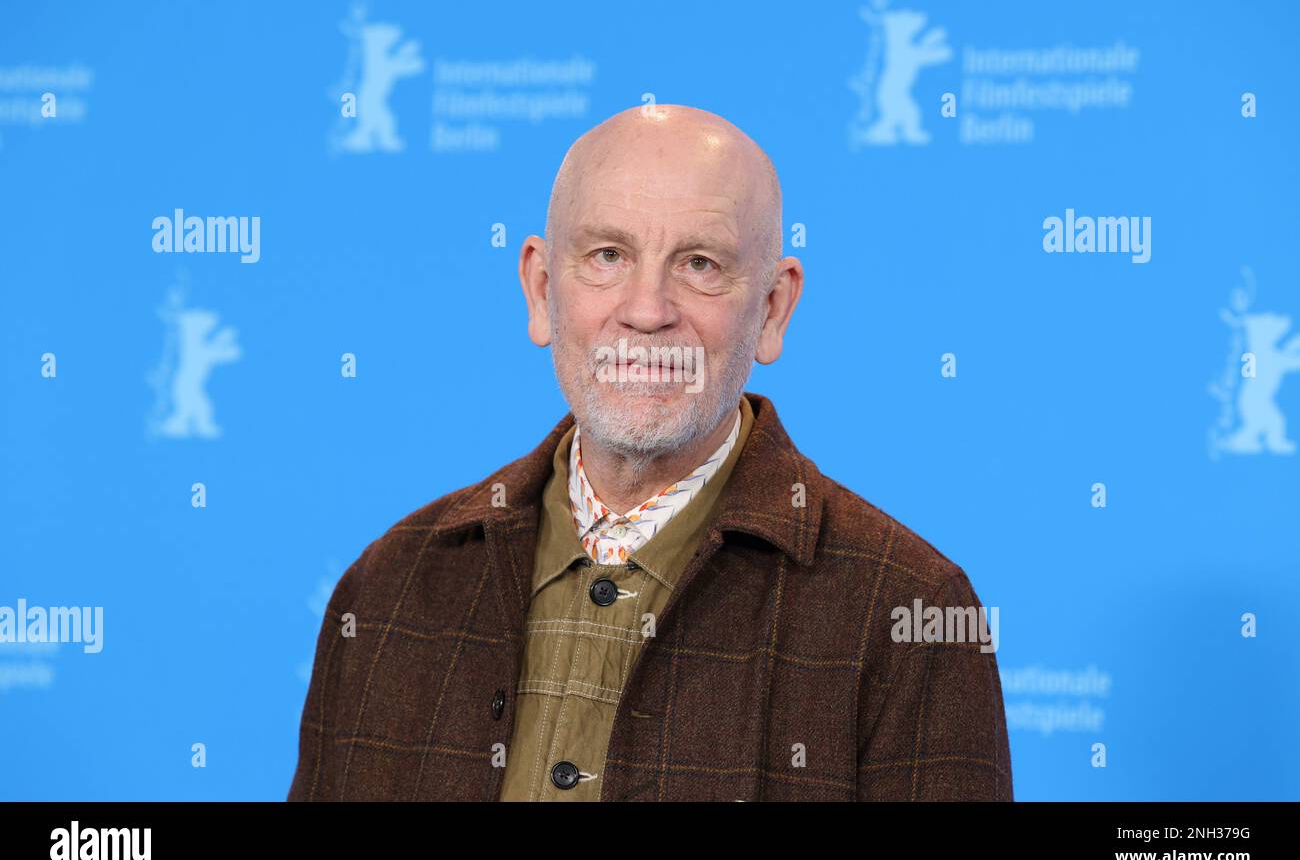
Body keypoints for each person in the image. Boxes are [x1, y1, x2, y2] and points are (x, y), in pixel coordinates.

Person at [288, 104, 1013, 801]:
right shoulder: (391, 586)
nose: (646, 310)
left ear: (771, 308)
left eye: (699, 264)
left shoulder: (909, 609)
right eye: (608, 256)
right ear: (542, 291)